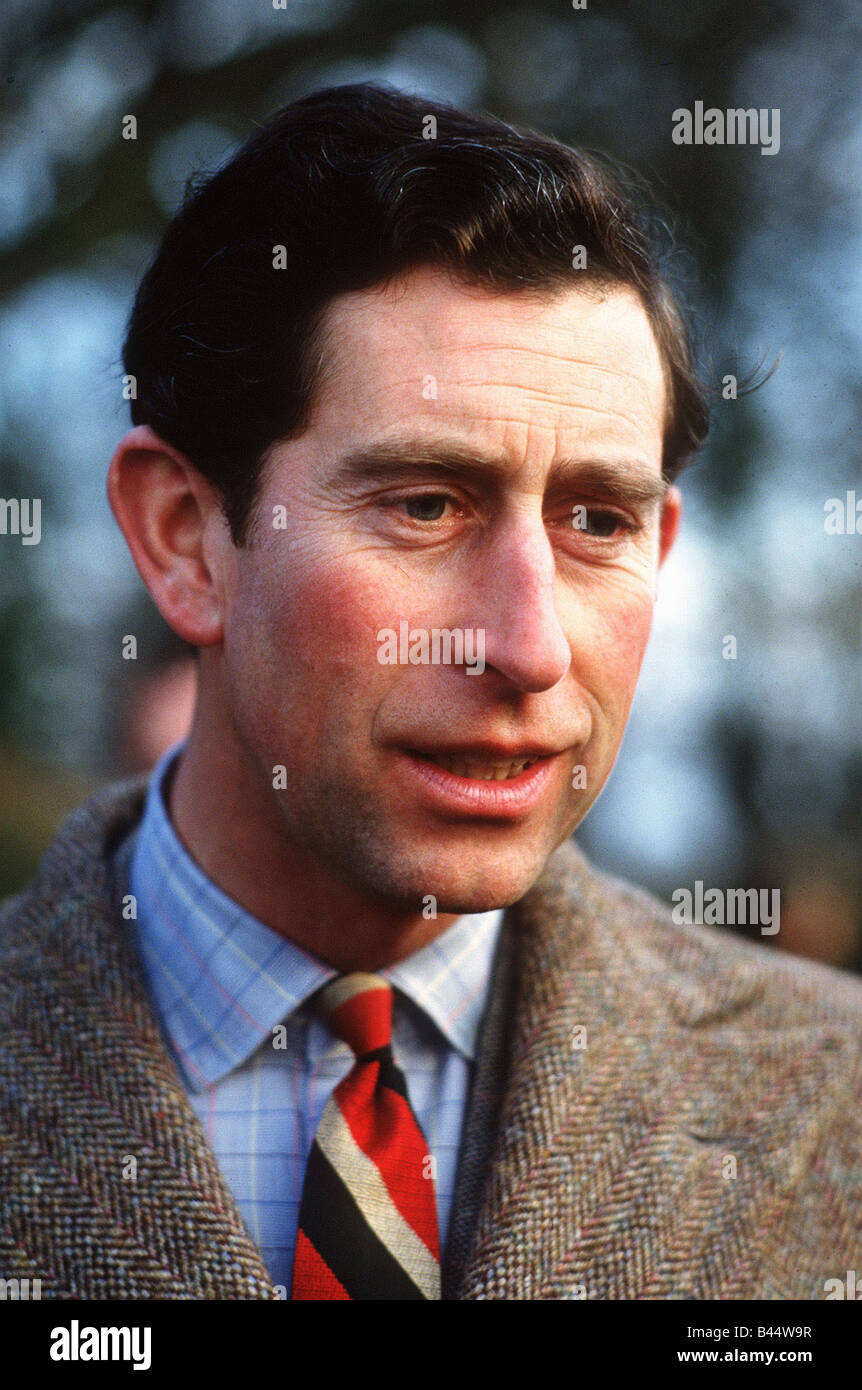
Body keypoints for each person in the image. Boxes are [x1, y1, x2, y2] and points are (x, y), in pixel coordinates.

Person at [1, 82, 860, 1302]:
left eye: (595, 521)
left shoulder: (836, 1099)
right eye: (422, 505)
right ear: (188, 539)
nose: (530, 646)